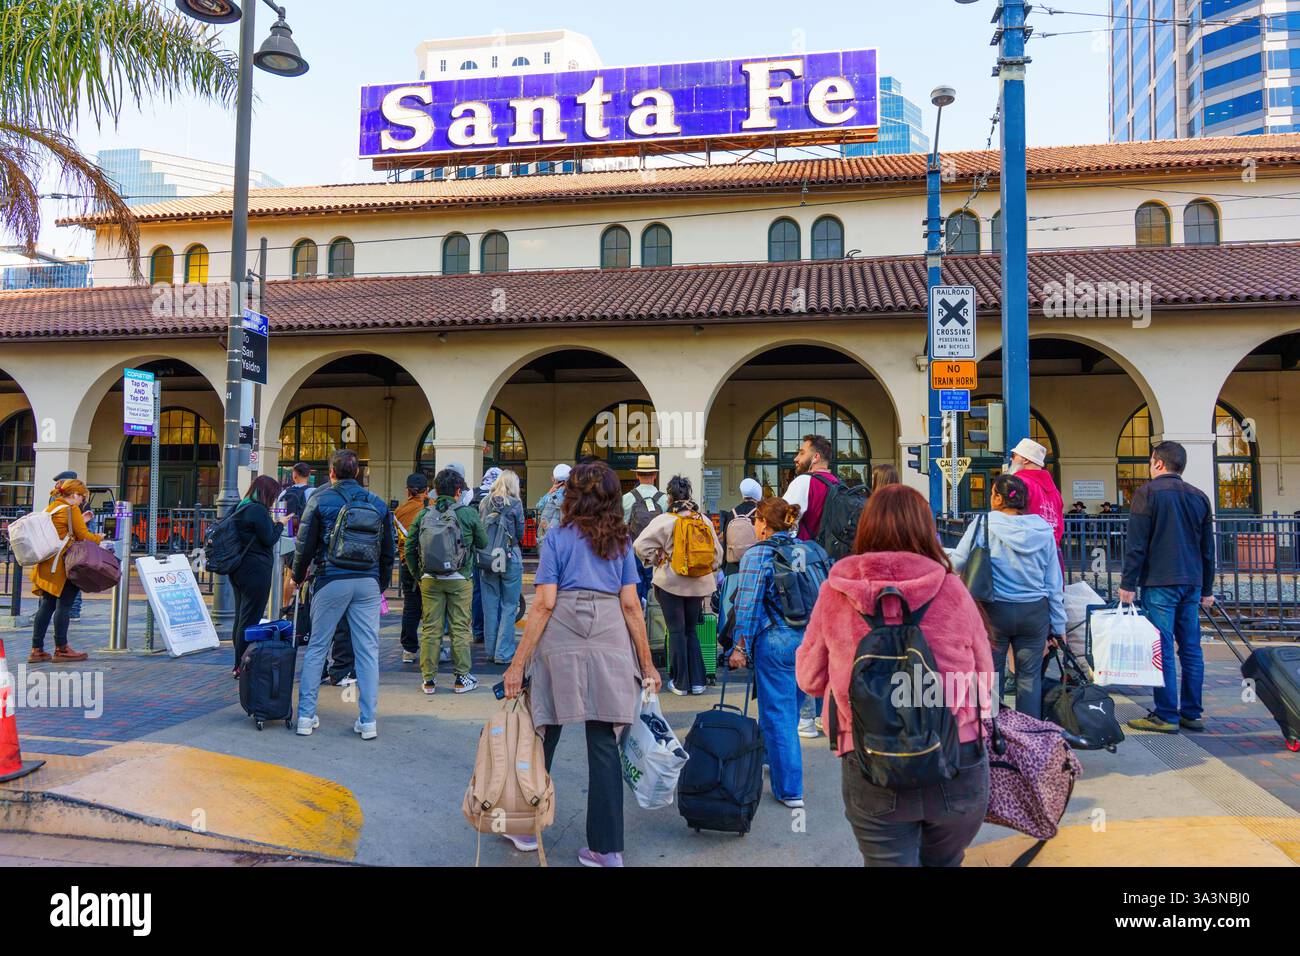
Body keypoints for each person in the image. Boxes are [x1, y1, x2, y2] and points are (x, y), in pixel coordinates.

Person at [797, 484, 995, 867]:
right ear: (925, 528)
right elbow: (984, 680)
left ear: (865, 528)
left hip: (870, 760)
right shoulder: (951, 588)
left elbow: (809, 679)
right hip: (955, 758)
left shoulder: (835, 592)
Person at [503, 461, 660, 867]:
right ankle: (607, 851)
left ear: (572, 494)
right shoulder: (622, 542)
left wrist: (517, 664)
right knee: (604, 740)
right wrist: (648, 665)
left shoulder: (557, 538)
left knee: (544, 729)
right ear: (610, 497)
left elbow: (544, 603)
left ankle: (524, 825)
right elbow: (631, 605)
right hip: (609, 633)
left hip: (562, 633)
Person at [727, 496, 826, 809]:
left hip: (776, 642)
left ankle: (789, 790)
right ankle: (772, 759)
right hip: (809, 640)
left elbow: (748, 603)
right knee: (790, 710)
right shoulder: (806, 550)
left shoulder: (758, 554)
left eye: (756, 521)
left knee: (778, 714)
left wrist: (739, 645)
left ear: (763, 524)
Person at [291, 449, 395, 740]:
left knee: (317, 648)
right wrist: (380, 582)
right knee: (367, 651)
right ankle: (368, 720)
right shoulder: (377, 503)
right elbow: (388, 551)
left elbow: (304, 546)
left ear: (332, 473)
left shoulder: (320, 499)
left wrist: (298, 577)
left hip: (331, 578)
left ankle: (306, 716)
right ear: (358, 473)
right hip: (367, 581)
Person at [948, 473, 1065, 719]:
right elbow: (1054, 583)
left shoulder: (983, 524)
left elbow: (956, 563)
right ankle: (1029, 740)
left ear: (998, 498)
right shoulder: (1043, 528)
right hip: (1035, 613)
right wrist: (1059, 624)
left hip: (993, 612)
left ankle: (994, 736)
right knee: (1030, 679)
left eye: (992, 493)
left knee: (990, 676)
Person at [1119, 440, 1215, 734]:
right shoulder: (1200, 497)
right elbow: (1207, 548)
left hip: (1160, 581)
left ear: (1158, 463)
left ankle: (1165, 715)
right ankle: (1192, 713)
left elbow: (1137, 545)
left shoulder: (1146, 494)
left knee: (1161, 647)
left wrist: (1128, 583)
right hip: (1192, 581)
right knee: (1190, 649)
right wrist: (1207, 588)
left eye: (1151, 462)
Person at [633, 475, 722, 695]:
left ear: (670, 497)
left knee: (675, 631)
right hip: (698, 584)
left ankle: (680, 682)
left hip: (670, 582)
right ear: (689, 495)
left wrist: (658, 559)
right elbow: (717, 555)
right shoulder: (704, 521)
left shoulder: (665, 520)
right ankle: (698, 681)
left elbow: (639, 545)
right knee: (692, 630)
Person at [405, 468, 486, 695]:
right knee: (460, 628)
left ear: (436, 490)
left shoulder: (424, 514)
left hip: (430, 579)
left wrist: (418, 574)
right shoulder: (467, 513)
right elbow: (483, 541)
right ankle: (461, 678)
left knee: (431, 628)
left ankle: (428, 680)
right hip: (460, 578)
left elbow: (410, 548)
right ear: (458, 491)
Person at [28, 478, 104, 663]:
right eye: (82, 497)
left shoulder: (53, 507)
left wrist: (80, 521)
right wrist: (99, 537)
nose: (82, 501)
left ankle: (37, 649)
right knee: (64, 606)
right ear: (74, 495)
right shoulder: (71, 509)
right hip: (65, 565)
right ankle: (62, 649)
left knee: (47, 606)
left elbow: (62, 529)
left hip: (48, 565)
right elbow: (84, 536)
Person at [229, 475, 284, 678]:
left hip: (238, 569)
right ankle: (243, 664)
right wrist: (280, 524)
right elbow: (269, 538)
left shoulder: (240, 507)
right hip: (256, 571)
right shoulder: (258, 510)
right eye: (273, 496)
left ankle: (238, 663)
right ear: (267, 494)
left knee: (240, 617)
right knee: (250, 619)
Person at [479, 469, 526, 665]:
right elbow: (521, 533)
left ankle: (490, 650)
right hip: (510, 556)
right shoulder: (515, 504)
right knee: (509, 606)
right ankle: (503, 652)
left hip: (488, 557)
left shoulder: (484, 502)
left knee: (490, 605)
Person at [392, 473, 429, 665]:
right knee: (432, 607)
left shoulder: (399, 511)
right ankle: (433, 648)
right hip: (431, 565)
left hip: (408, 564)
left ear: (408, 491)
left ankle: (409, 649)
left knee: (411, 607)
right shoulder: (431, 508)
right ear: (427, 490)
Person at [623, 455, 667, 606]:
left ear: (636, 474)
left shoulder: (627, 498)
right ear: (655, 475)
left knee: (634, 597)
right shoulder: (664, 499)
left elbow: (621, 528)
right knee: (655, 597)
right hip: (657, 555)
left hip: (633, 553)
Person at [1009, 438, 1064, 551]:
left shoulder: (1018, 482)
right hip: (1053, 548)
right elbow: (1059, 523)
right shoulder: (1055, 491)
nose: (1011, 459)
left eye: (1014, 455)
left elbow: (1009, 517)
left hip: (1027, 550)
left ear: (1025, 460)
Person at [782, 434, 839, 542]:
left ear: (816, 457)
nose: (796, 458)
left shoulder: (803, 481)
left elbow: (783, 519)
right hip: (832, 554)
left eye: (802, 453)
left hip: (806, 553)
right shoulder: (837, 483)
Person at [471, 467, 502, 642]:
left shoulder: (473, 495)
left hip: (477, 550)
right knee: (495, 590)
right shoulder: (502, 498)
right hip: (497, 551)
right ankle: (494, 630)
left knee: (477, 590)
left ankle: (477, 631)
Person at [721, 477, 762, 576]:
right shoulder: (760, 513)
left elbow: (725, 543)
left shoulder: (732, 513)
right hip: (755, 566)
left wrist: (724, 568)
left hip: (733, 568)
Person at [534, 463, 571, 546]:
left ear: (554, 479)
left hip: (548, 536)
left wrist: (549, 492)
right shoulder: (572, 495)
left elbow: (539, 506)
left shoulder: (551, 495)